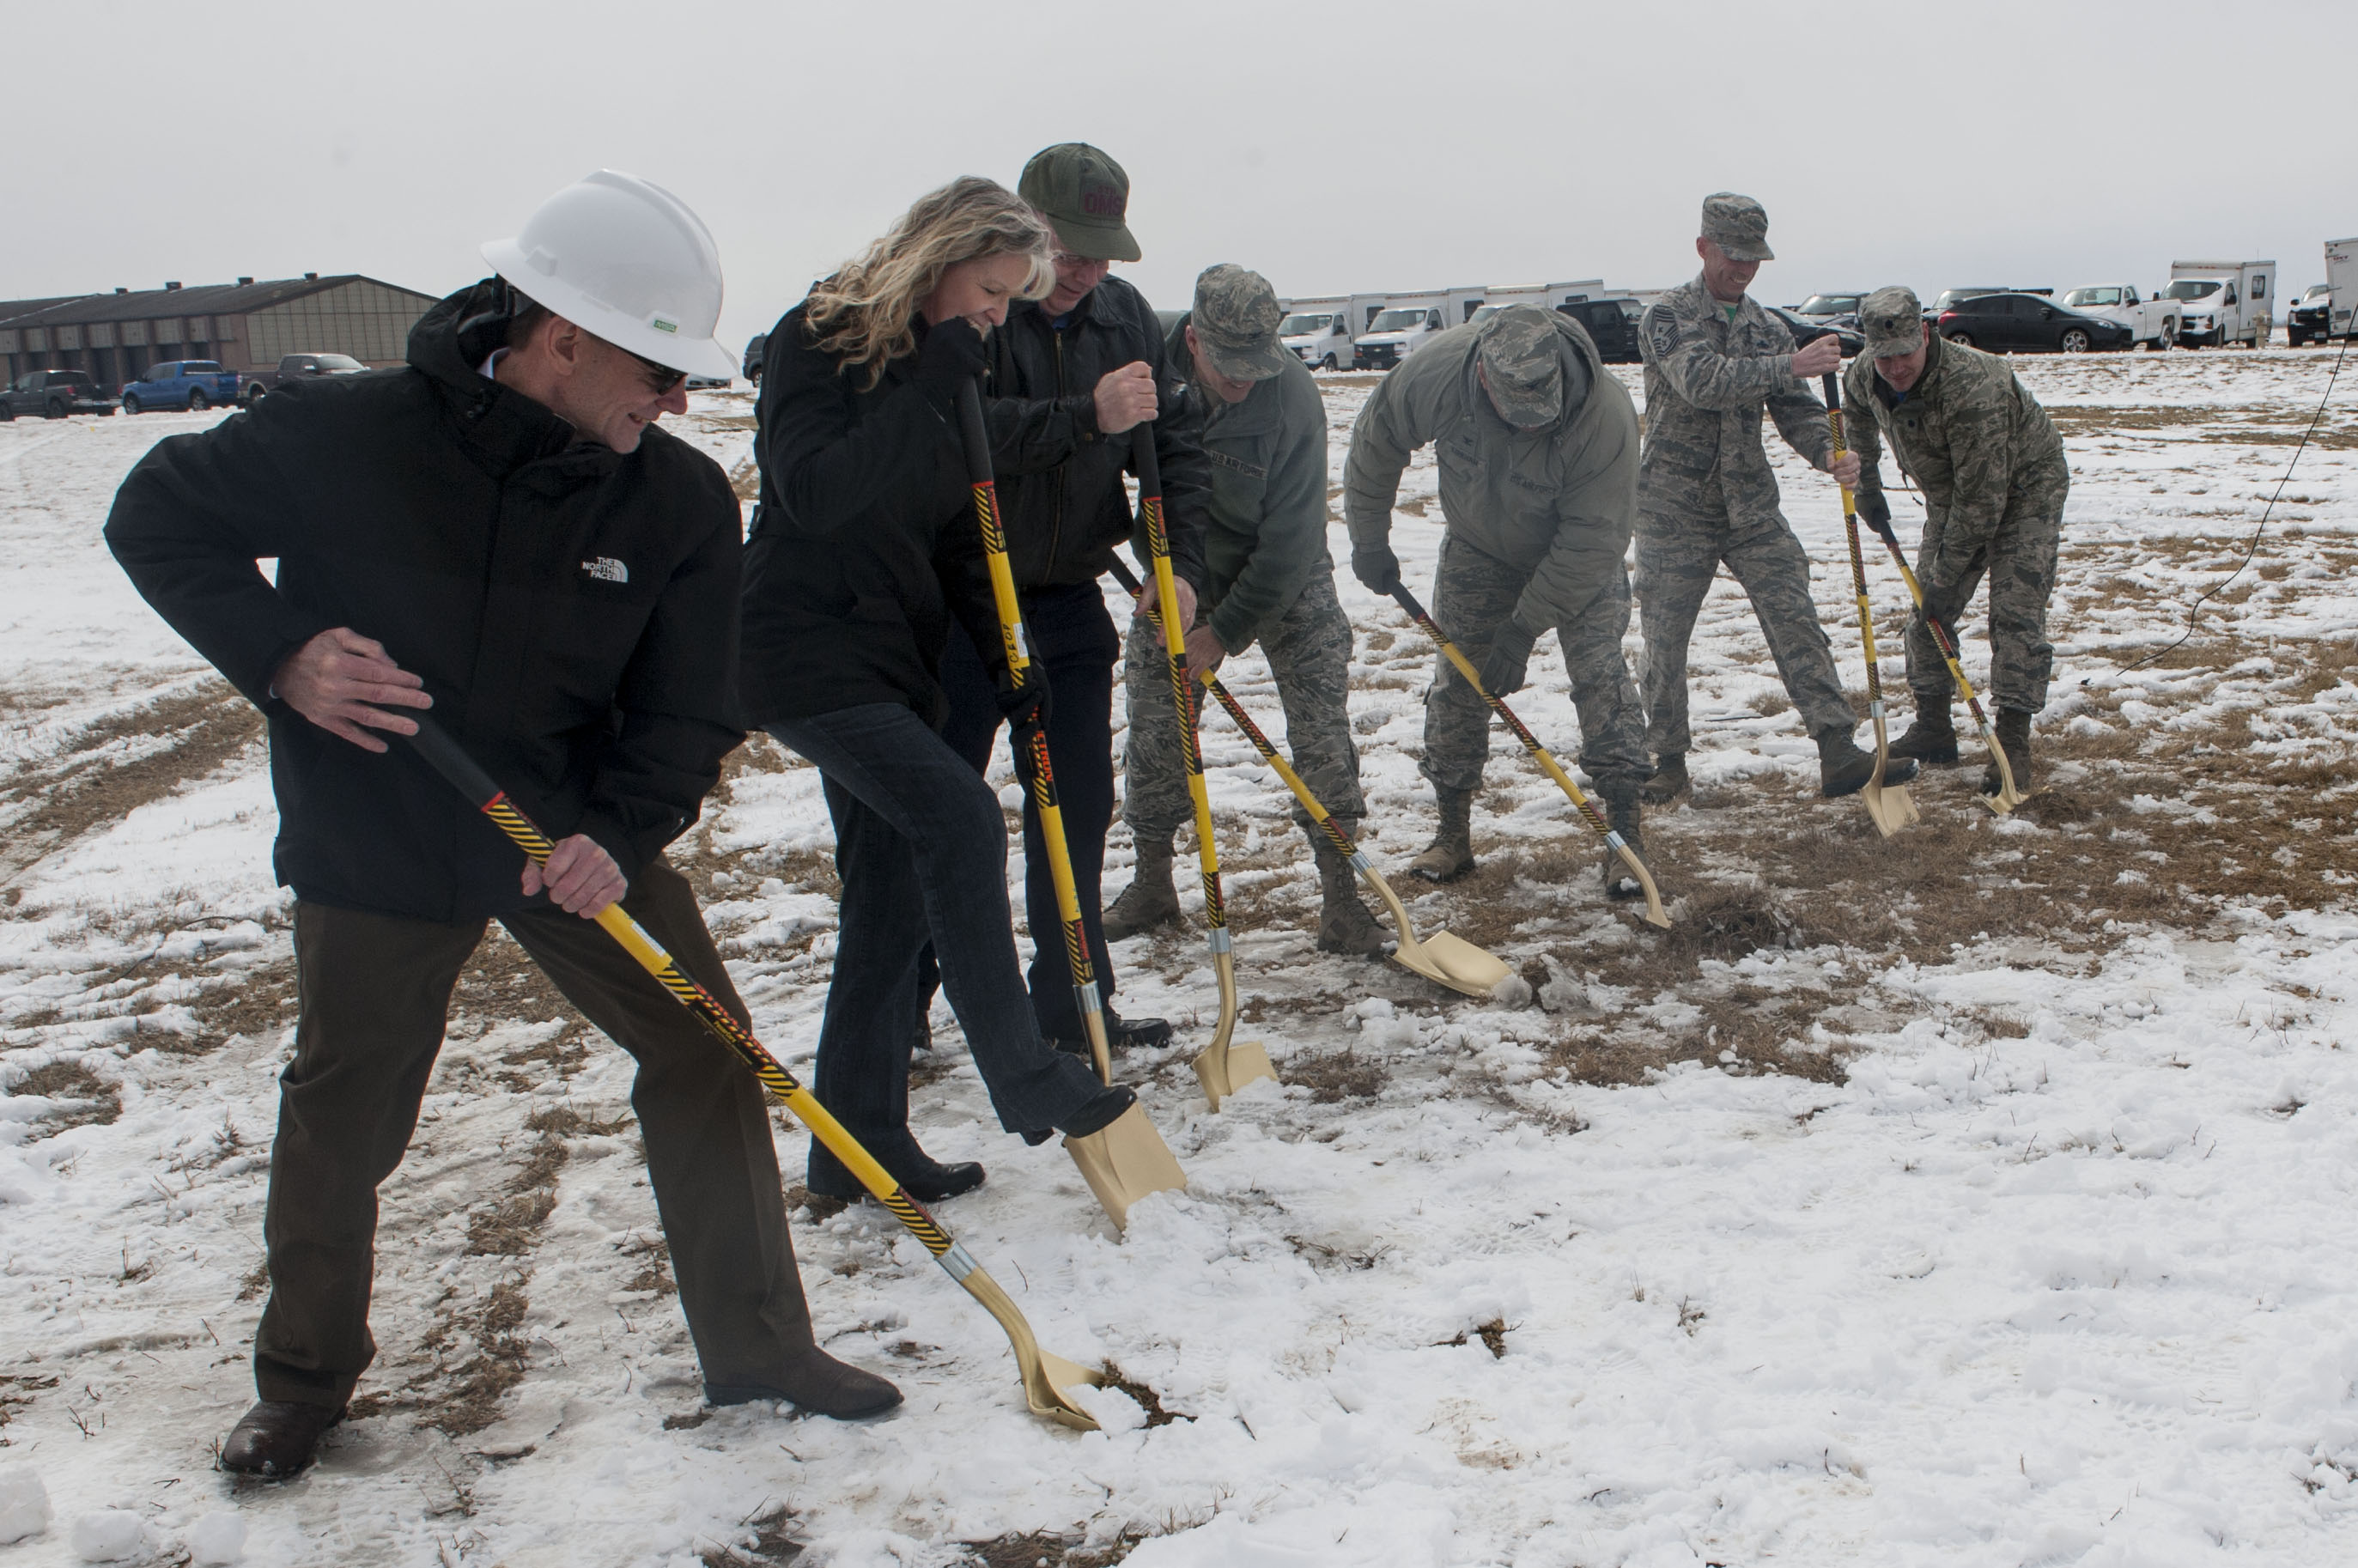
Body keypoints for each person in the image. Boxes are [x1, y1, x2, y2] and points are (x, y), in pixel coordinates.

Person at [104, 172, 900, 1478]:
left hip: (565, 832)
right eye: (657, 367)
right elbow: (156, 516)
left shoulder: (676, 499)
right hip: (376, 825)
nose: (675, 400)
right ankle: (302, 1379)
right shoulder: (343, 433)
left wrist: (620, 832)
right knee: (345, 1104)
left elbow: (692, 703)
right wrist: (282, 653)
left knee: (705, 1047)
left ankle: (760, 1344)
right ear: (562, 338)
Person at [740, 177, 1137, 1203]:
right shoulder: (817, 339)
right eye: (991, 291)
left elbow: (962, 531)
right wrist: (928, 387)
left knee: (889, 903)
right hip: (803, 646)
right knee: (960, 817)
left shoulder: (953, 364)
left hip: (896, 654)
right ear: (937, 259)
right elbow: (812, 491)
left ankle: (857, 1149)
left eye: (1010, 300)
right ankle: (1023, 1069)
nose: (998, 316)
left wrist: (1008, 658)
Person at [929, 142, 1213, 1055]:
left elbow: (1174, 446)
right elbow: (957, 434)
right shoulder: (974, 312)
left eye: (1101, 254)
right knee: (944, 811)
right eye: (1068, 251)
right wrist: (1086, 415)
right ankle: (904, 997)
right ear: (1025, 231)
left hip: (1064, 596)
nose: (1085, 272)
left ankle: (1073, 1002)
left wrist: (1180, 564)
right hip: (962, 601)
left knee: (1079, 806)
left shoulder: (1124, 316)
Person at [1103, 264, 1383, 957]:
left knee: (1321, 726)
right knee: (1157, 718)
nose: (1245, 382)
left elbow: (1290, 542)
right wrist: (1159, 570)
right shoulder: (1143, 366)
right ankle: (1152, 881)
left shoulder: (1292, 398)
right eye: (1231, 368)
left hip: (1283, 569)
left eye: (1257, 365)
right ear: (1193, 341)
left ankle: (1342, 901)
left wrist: (1224, 632)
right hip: (1181, 566)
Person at [1344, 304, 1652, 893]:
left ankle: (1625, 836)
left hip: (1575, 553)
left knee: (1601, 676)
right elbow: (1377, 438)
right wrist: (1369, 539)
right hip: (1479, 545)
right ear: (1484, 374)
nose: (1530, 425)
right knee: (1459, 680)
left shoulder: (1604, 415)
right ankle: (1452, 833)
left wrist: (1522, 628)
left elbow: (1593, 539)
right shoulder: (1437, 374)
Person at [1632, 192, 1921, 805]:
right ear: (1703, 247)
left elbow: (1796, 411)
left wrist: (1828, 453)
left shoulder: (1767, 328)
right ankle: (1668, 760)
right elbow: (1702, 382)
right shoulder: (1667, 316)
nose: (1743, 268)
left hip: (1750, 508)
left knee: (1796, 618)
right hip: (1673, 510)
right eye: (1732, 255)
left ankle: (1837, 748)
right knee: (1665, 640)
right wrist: (1790, 364)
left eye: (1753, 258)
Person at [1843, 286, 2068, 794]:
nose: (1895, 369)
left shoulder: (1975, 385)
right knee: (1925, 611)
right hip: (1952, 494)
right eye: (1884, 358)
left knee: (2014, 612)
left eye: (1904, 355)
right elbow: (1855, 415)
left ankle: (2012, 740)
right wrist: (1869, 487)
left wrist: (1946, 580)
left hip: (2025, 491)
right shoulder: (1866, 374)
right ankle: (1934, 728)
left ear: (1926, 335)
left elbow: (1983, 503)